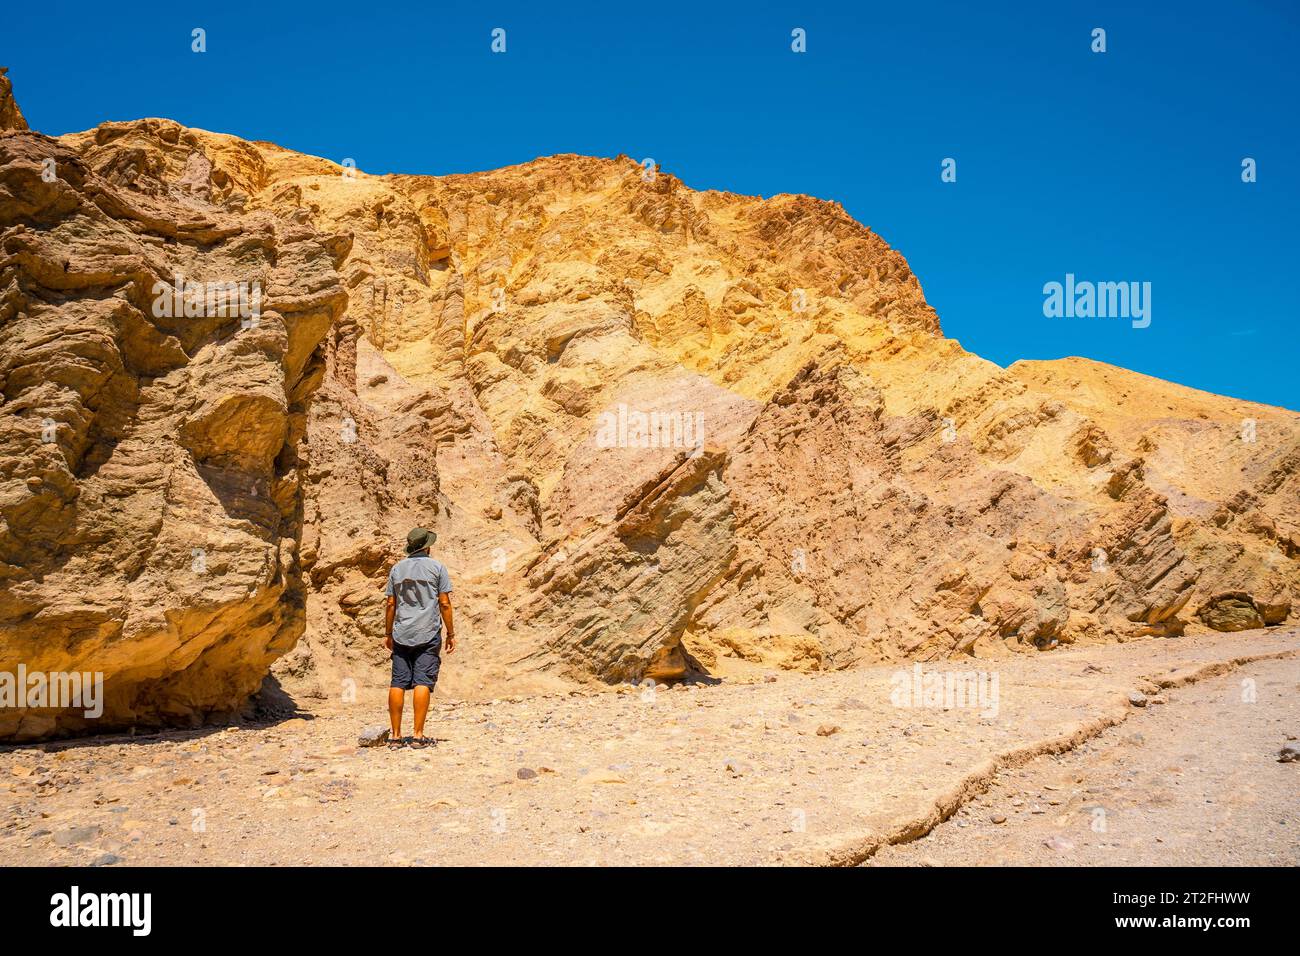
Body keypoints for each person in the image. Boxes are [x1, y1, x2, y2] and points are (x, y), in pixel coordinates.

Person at [383, 527, 454, 748]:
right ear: (427, 546)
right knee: (423, 681)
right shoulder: (437, 568)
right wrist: (451, 632)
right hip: (428, 631)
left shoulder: (397, 569)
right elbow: (444, 603)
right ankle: (417, 735)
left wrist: (387, 633)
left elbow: (390, 604)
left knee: (398, 682)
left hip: (402, 632)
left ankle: (395, 736)